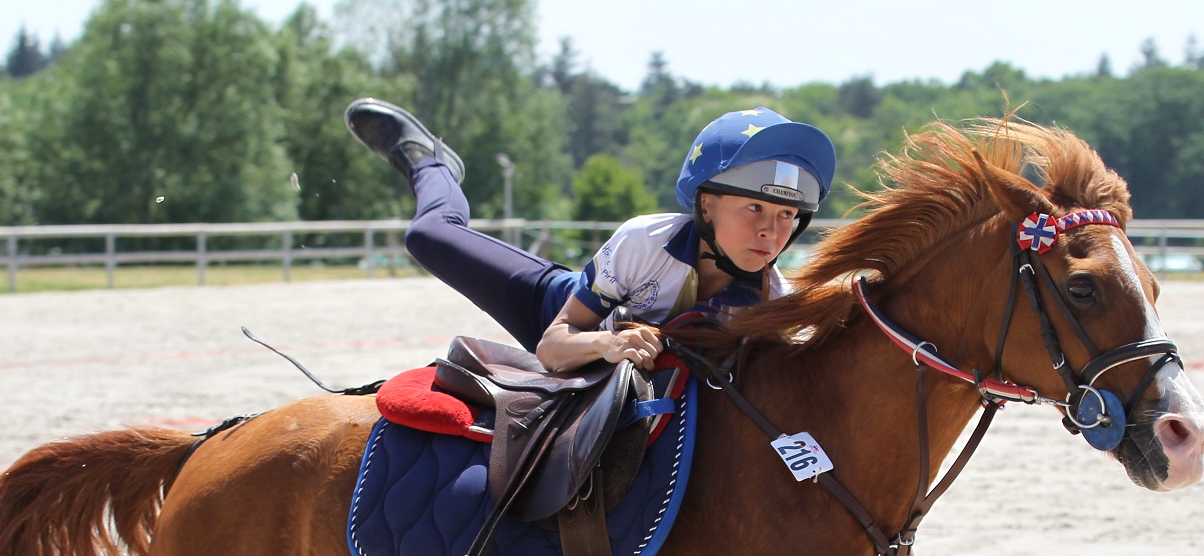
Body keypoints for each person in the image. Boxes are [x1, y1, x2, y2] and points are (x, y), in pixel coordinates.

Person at [344, 100, 835, 372]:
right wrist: (608, 346)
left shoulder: (775, 304)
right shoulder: (643, 240)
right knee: (427, 236)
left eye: (789, 214)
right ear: (705, 205)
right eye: (754, 207)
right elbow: (553, 346)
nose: (772, 229)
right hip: (556, 311)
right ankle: (428, 161)